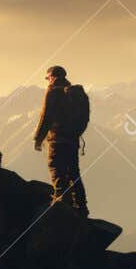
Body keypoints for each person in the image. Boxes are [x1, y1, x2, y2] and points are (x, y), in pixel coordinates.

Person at [32, 65, 91, 216]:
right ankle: (81, 206)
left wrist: (38, 139)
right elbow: (85, 118)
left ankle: (63, 202)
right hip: (72, 140)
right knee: (73, 172)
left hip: (57, 140)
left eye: (48, 78)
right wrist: (75, 134)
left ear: (52, 76)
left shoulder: (52, 91)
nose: (47, 81)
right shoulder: (74, 94)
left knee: (56, 170)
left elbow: (46, 117)